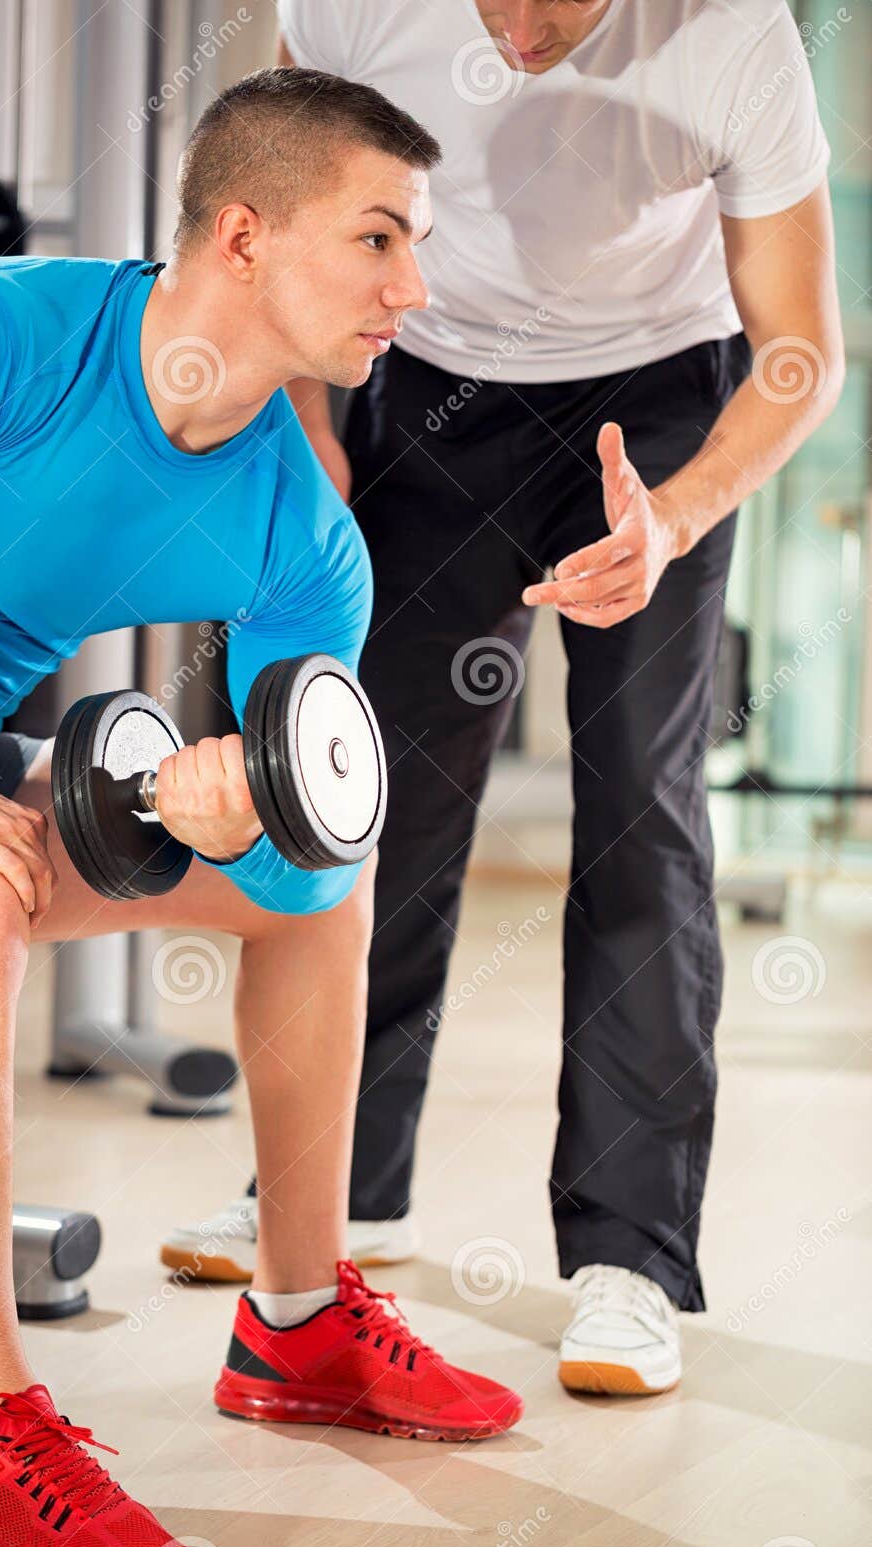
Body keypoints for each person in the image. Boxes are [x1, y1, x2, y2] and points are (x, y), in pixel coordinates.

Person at [0, 68, 522, 1547]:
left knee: (331, 881)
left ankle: (300, 1313)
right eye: (383, 239)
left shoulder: (299, 534)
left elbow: (288, 854)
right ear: (247, 235)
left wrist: (238, 806)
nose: (417, 287)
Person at [166, 0, 845, 1396]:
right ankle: (337, 1189)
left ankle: (630, 1257)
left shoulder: (735, 36)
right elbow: (295, 189)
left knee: (643, 813)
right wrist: (308, 429)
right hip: (429, 387)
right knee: (366, 801)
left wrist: (676, 514)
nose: (530, 27)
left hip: (658, 403)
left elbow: (801, 350)